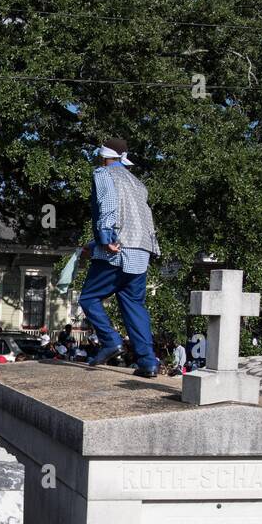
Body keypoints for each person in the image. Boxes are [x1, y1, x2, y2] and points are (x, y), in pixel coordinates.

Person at [77, 137, 160, 377]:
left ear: (104, 157)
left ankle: (110, 340)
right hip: (141, 251)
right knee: (134, 306)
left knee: (89, 297)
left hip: (117, 249)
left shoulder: (103, 174)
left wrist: (106, 237)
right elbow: (143, 218)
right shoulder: (137, 183)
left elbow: (108, 204)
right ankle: (148, 362)